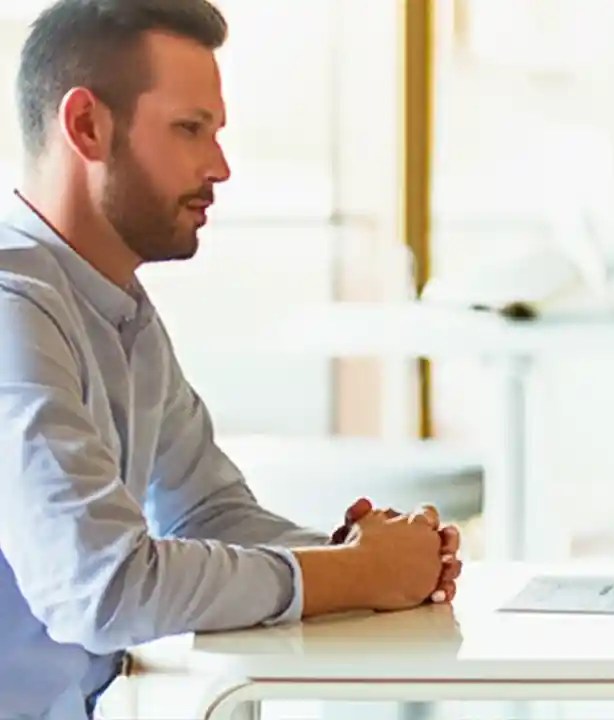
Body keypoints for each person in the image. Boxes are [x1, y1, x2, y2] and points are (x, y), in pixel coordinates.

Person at [0, 2, 462, 718]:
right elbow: (103, 589)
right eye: (190, 129)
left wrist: (365, 553)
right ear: (87, 126)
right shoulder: (11, 307)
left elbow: (206, 510)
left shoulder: (118, 308)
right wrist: (355, 573)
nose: (219, 167)